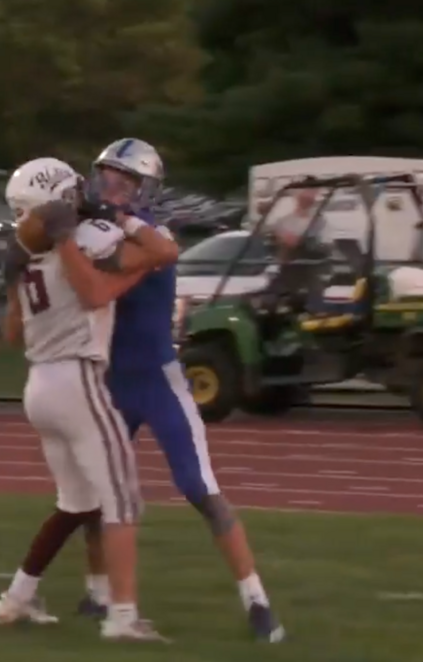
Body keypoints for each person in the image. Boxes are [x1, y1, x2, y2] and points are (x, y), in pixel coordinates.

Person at [90, 138, 285, 642]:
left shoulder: (149, 236)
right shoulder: (105, 231)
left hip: (157, 380)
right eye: (106, 176)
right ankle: (98, 592)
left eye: (123, 180)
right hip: (114, 381)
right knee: (97, 490)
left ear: (144, 189)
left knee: (200, 490)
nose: (111, 187)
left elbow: (113, 267)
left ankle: (257, 599)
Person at [0, 157, 177, 641]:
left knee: (78, 503)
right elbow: (160, 251)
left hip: (39, 387)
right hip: (77, 379)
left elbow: (11, 332)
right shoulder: (89, 237)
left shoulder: (21, 255)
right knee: (123, 501)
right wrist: (122, 221)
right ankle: (122, 617)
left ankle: (16, 597)